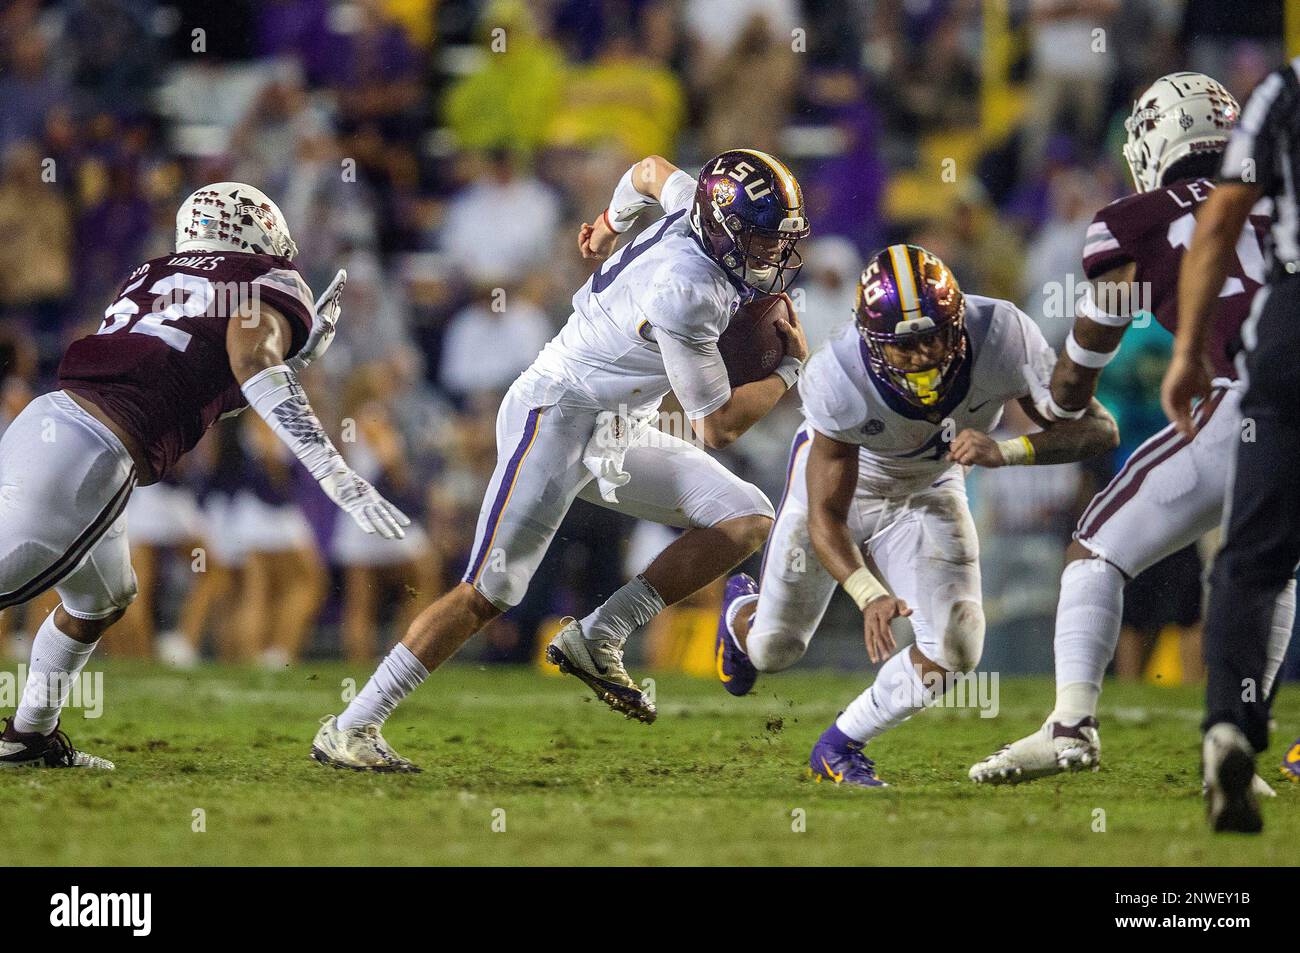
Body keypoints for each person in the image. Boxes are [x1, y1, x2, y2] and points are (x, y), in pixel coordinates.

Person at [313, 150, 811, 772]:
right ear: (726, 225)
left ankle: (600, 633)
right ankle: (353, 726)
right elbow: (719, 424)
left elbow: (651, 169)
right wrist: (792, 368)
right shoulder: (689, 288)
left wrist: (609, 220)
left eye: (779, 237)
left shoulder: (694, 208)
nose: (771, 253)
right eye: (762, 236)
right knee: (487, 592)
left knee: (744, 519)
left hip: (612, 424)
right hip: (553, 416)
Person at [0, 182, 408, 769]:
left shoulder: (151, 272)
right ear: (260, 227)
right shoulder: (270, 279)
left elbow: (201, 381)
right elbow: (251, 363)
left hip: (51, 422)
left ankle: (28, 735)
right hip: (92, 451)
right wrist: (328, 464)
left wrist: (290, 358)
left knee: (102, 597)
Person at [970, 74, 1295, 798]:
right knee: (1273, 564)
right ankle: (1242, 734)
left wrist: (1066, 394)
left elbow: (1093, 339)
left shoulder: (1136, 217)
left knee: (1094, 546)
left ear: (1151, 142)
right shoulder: (1281, 195)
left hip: (1245, 396)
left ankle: (1071, 725)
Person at [713, 243, 1118, 786]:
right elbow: (826, 515)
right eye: (905, 345)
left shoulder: (1001, 332)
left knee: (956, 643)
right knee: (776, 648)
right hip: (844, 489)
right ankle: (743, 617)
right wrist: (867, 592)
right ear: (872, 340)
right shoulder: (838, 372)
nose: (924, 355)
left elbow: (1098, 429)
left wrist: (1012, 449)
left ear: (958, 321)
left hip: (931, 484)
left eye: (934, 336)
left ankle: (839, 745)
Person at [1162, 59, 1300, 832]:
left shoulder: (1285, 90)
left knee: (1251, 557)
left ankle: (1227, 730)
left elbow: (1221, 216)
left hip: (1290, 329)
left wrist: (1188, 350)